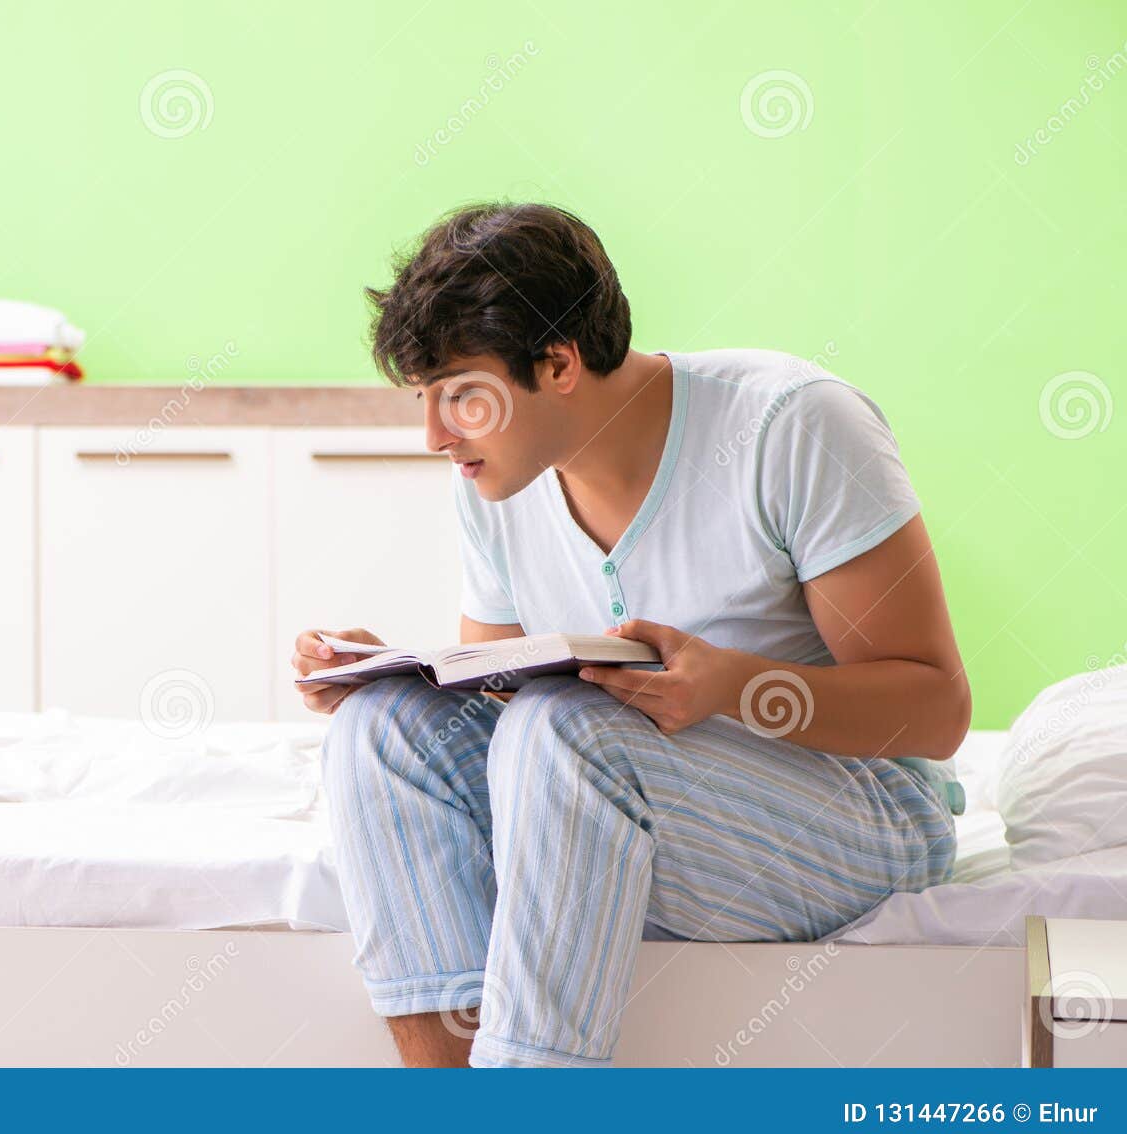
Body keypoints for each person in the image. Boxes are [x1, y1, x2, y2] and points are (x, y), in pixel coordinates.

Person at [291, 203, 968, 1068]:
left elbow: (935, 708)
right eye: (424, 398)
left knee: (566, 730)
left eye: (461, 394)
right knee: (379, 729)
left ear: (560, 363)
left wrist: (729, 686)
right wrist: (394, 675)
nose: (433, 434)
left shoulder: (792, 424)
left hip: (864, 815)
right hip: (640, 804)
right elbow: (499, 701)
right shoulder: (495, 481)